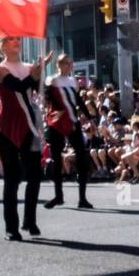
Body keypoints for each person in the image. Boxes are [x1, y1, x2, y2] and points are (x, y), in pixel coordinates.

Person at [0, 37, 50, 240]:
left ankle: (30, 220)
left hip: (29, 128)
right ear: (2, 47)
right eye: (9, 40)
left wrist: (40, 73)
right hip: (7, 128)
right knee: (12, 179)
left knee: (35, 176)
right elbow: (17, 87)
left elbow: (36, 90)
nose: (15, 42)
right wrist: (35, 71)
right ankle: (11, 227)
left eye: (16, 39)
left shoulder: (28, 67)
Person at [43, 54, 92, 209]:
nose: (69, 66)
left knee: (82, 157)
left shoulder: (73, 82)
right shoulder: (52, 80)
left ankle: (82, 198)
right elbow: (47, 98)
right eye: (65, 63)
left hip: (71, 121)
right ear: (59, 65)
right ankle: (58, 196)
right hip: (57, 122)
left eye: (70, 63)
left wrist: (89, 117)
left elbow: (78, 101)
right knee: (56, 160)